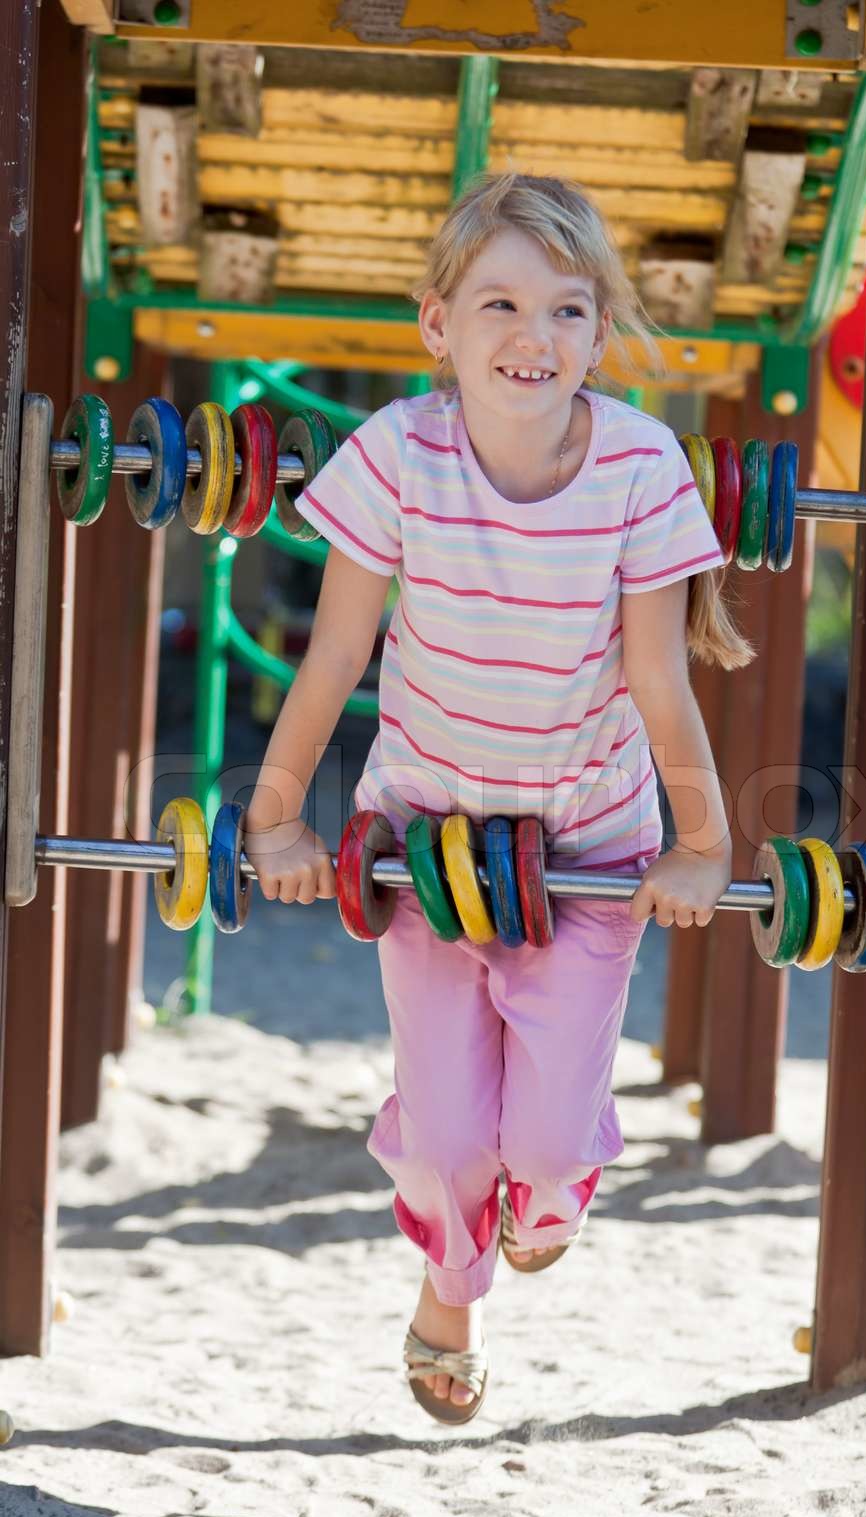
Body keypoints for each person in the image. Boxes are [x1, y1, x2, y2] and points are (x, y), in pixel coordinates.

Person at [242, 173, 754, 1426]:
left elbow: (652, 669)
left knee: (539, 1140)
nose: (534, 337)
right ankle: (447, 1285)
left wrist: (702, 842)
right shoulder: (396, 455)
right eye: (500, 304)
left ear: (598, 327)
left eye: (568, 311)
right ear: (437, 325)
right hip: (424, 837)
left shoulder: (637, 466)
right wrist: (274, 816)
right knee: (439, 1137)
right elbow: (338, 653)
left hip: (586, 840)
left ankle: (553, 1180)